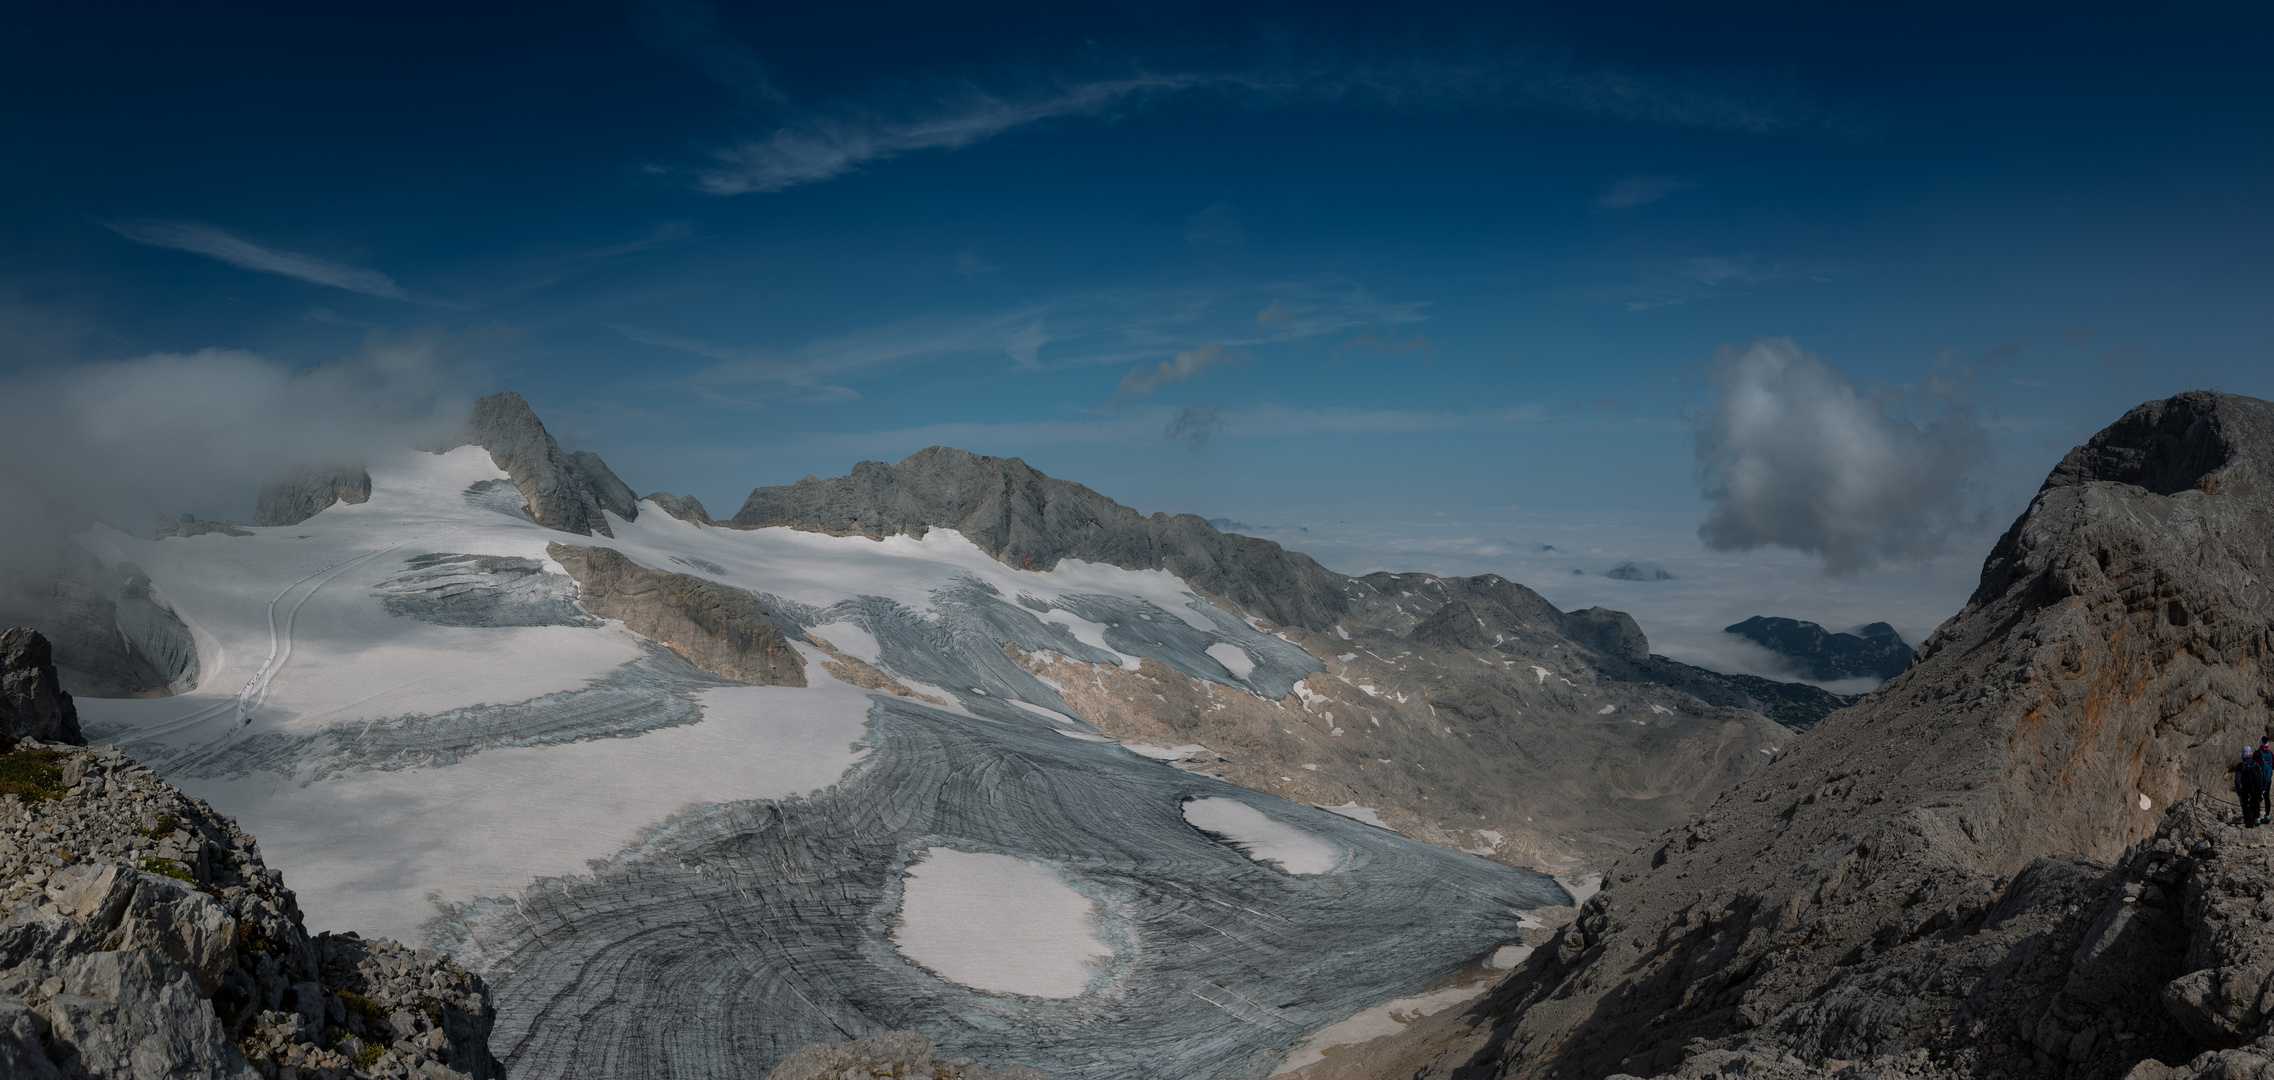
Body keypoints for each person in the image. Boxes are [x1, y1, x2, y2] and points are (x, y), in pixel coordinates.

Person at [2236, 746, 2269, 828]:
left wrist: (2240, 794)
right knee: (2256, 821)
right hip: (2257, 796)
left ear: (2242, 755)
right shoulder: (2256, 764)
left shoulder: (2241, 766)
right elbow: (2265, 780)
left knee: (2248, 821)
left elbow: (2237, 781)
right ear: (2250, 754)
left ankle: (2249, 831)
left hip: (2246, 797)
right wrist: (2262, 791)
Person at [2257, 739, 2274, 825]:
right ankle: (2267, 816)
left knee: (2257, 797)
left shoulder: (2257, 753)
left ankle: (2257, 818)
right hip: (2268, 779)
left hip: (2259, 779)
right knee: (2267, 796)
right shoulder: (2271, 754)